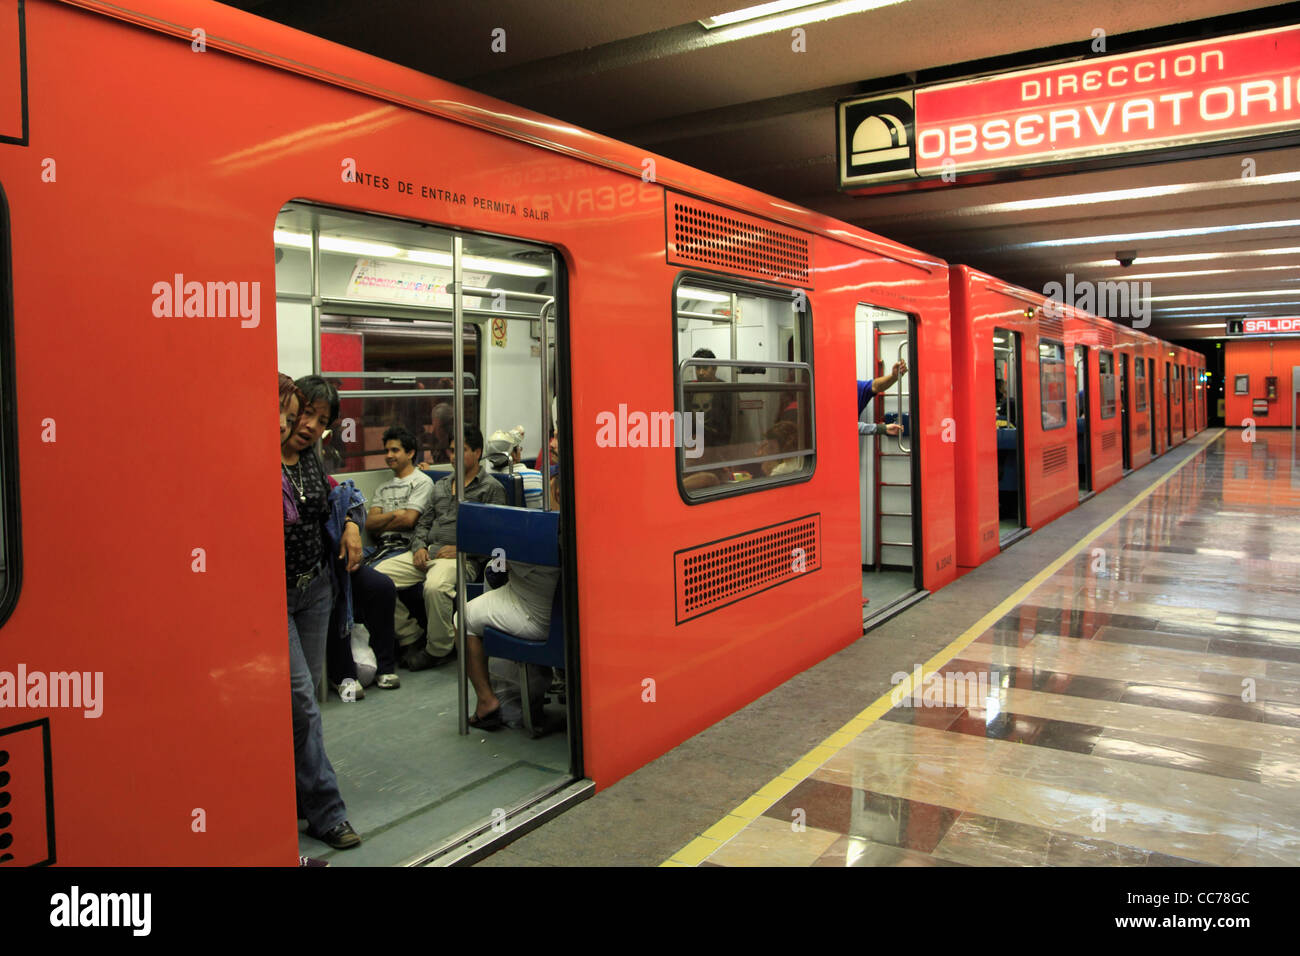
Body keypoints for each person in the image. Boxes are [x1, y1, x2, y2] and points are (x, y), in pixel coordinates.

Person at [280, 372, 362, 851]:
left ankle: (298, 795)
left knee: (308, 700)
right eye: (304, 414)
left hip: (315, 591)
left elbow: (338, 497)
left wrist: (352, 522)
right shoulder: (261, 452)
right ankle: (327, 812)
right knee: (303, 704)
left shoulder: (309, 458)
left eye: (321, 420)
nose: (310, 426)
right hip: (275, 596)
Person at [374, 423, 507, 670]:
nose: (455, 456)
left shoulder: (491, 489)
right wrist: (419, 547)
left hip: (462, 558)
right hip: (429, 553)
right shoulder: (442, 486)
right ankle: (410, 634)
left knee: (434, 587)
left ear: (478, 452)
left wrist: (460, 549)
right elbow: (423, 524)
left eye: (462, 450)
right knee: (376, 578)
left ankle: (438, 649)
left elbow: (496, 540)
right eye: (452, 450)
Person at [463, 477, 563, 731]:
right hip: (560, 614)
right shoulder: (576, 525)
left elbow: (501, 564)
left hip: (534, 616)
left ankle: (486, 701)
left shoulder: (543, 529)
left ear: (558, 493)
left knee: (462, 618)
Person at [485, 427, 543, 508]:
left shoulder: (489, 482)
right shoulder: (537, 477)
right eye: (519, 448)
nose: (520, 451)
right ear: (513, 454)